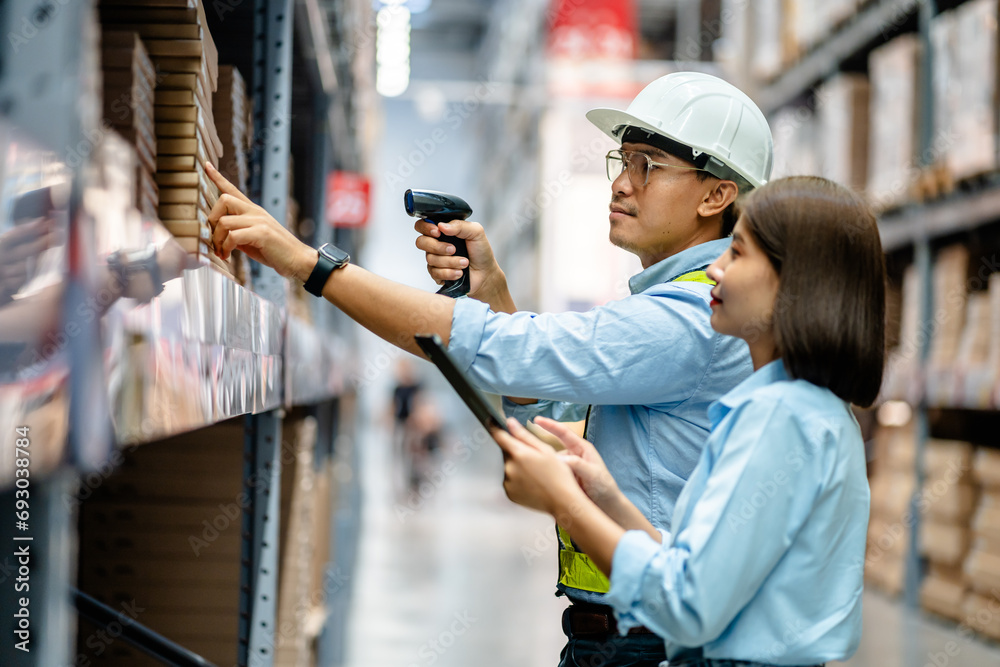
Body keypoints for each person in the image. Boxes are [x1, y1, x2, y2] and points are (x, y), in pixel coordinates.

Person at [204, 72, 773, 667]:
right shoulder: (672, 302)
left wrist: (306, 264)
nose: (623, 183)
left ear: (716, 196)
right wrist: (493, 295)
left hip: (655, 640)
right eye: (622, 159)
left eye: (649, 165)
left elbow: (503, 349)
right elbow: (544, 415)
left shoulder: (696, 316)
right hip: (625, 632)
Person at [490, 176, 886, 667]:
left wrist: (563, 500)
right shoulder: (808, 410)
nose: (715, 270)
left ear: (796, 283)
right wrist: (605, 495)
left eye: (737, 254)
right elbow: (696, 568)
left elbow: (688, 606)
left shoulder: (780, 420)